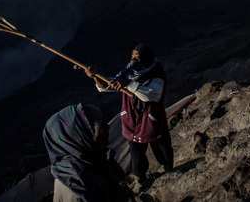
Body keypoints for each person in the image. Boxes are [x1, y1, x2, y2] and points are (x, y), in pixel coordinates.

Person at [86, 44, 174, 193]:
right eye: (132, 55)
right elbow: (107, 86)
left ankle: (169, 171)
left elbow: (151, 95)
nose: (133, 59)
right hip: (133, 121)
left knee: (161, 146)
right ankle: (140, 180)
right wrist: (96, 77)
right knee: (136, 153)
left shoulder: (156, 75)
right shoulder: (127, 73)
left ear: (146, 58)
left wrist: (129, 84)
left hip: (151, 119)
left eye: (137, 56)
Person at [43, 102, 127, 202]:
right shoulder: (75, 186)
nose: (107, 126)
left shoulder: (96, 160)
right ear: (78, 137)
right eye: (95, 126)